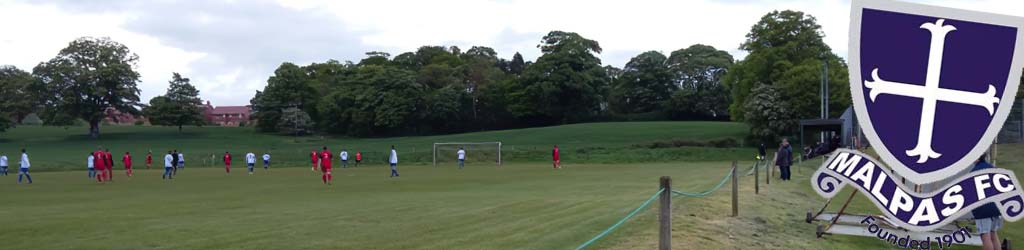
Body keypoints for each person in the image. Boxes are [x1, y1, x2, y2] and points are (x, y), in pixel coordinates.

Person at [973, 155, 1004, 250]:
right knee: (993, 234)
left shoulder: (974, 172)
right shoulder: (993, 168)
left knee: (985, 236)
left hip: (984, 209)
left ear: (977, 158)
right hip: (997, 207)